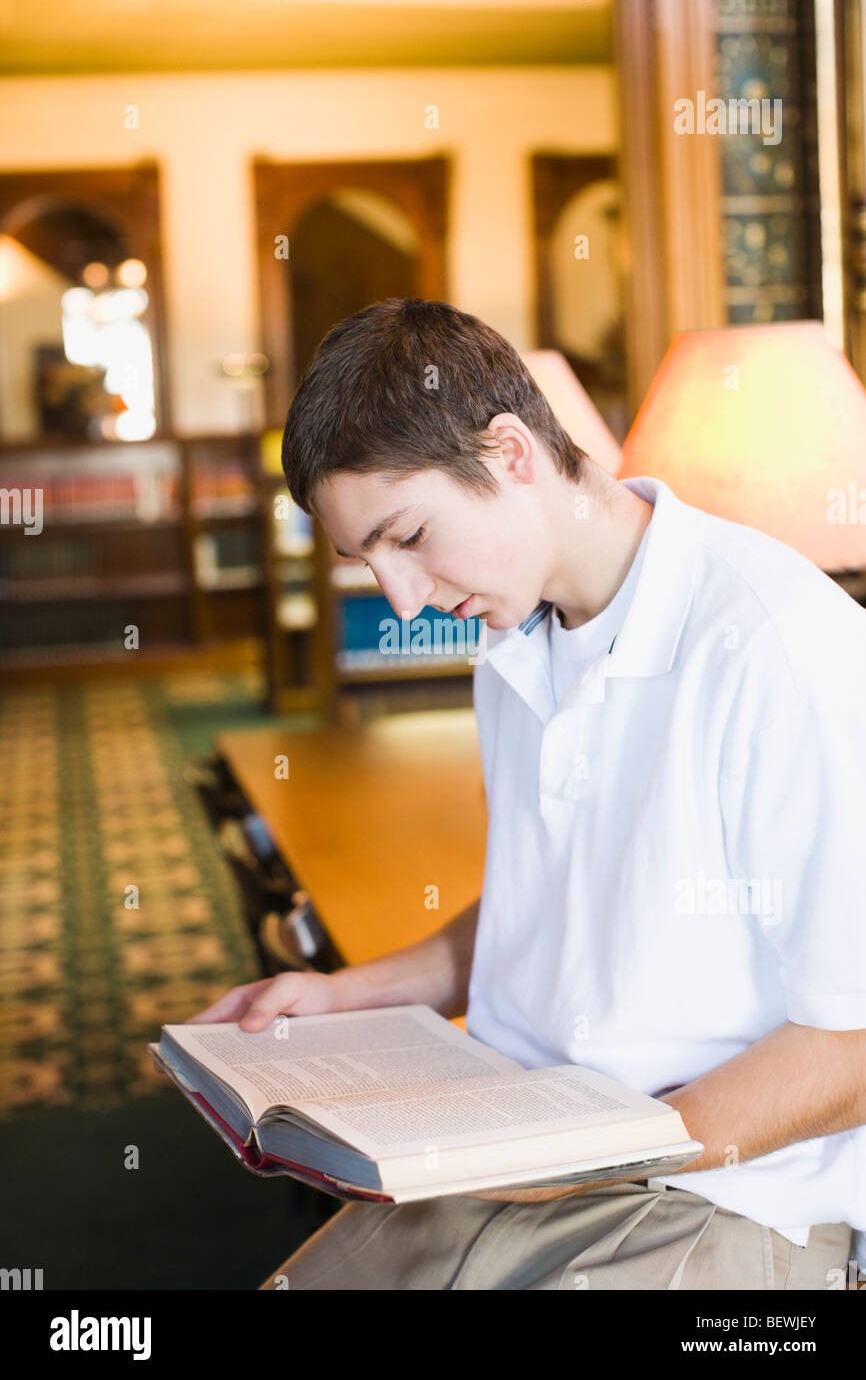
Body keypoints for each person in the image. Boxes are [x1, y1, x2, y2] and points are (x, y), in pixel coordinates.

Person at [188, 298, 866, 1290]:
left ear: (509, 451)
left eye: (409, 534)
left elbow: (848, 1043)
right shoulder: (513, 639)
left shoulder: (773, 643)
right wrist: (342, 992)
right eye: (369, 561)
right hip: (523, 1155)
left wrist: (596, 1152)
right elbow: (543, 907)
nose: (405, 598)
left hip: (723, 1192)